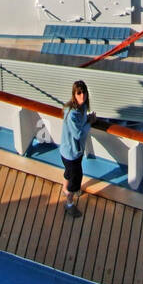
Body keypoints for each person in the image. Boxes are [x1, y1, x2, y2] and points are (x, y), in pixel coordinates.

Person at [59, 79, 95, 215]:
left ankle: (64, 189)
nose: (82, 96)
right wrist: (90, 122)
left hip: (69, 152)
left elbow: (82, 123)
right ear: (74, 94)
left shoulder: (82, 108)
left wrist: (87, 119)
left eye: (84, 92)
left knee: (68, 173)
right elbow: (78, 134)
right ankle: (69, 203)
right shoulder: (72, 114)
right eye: (79, 93)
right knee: (75, 179)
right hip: (71, 154)